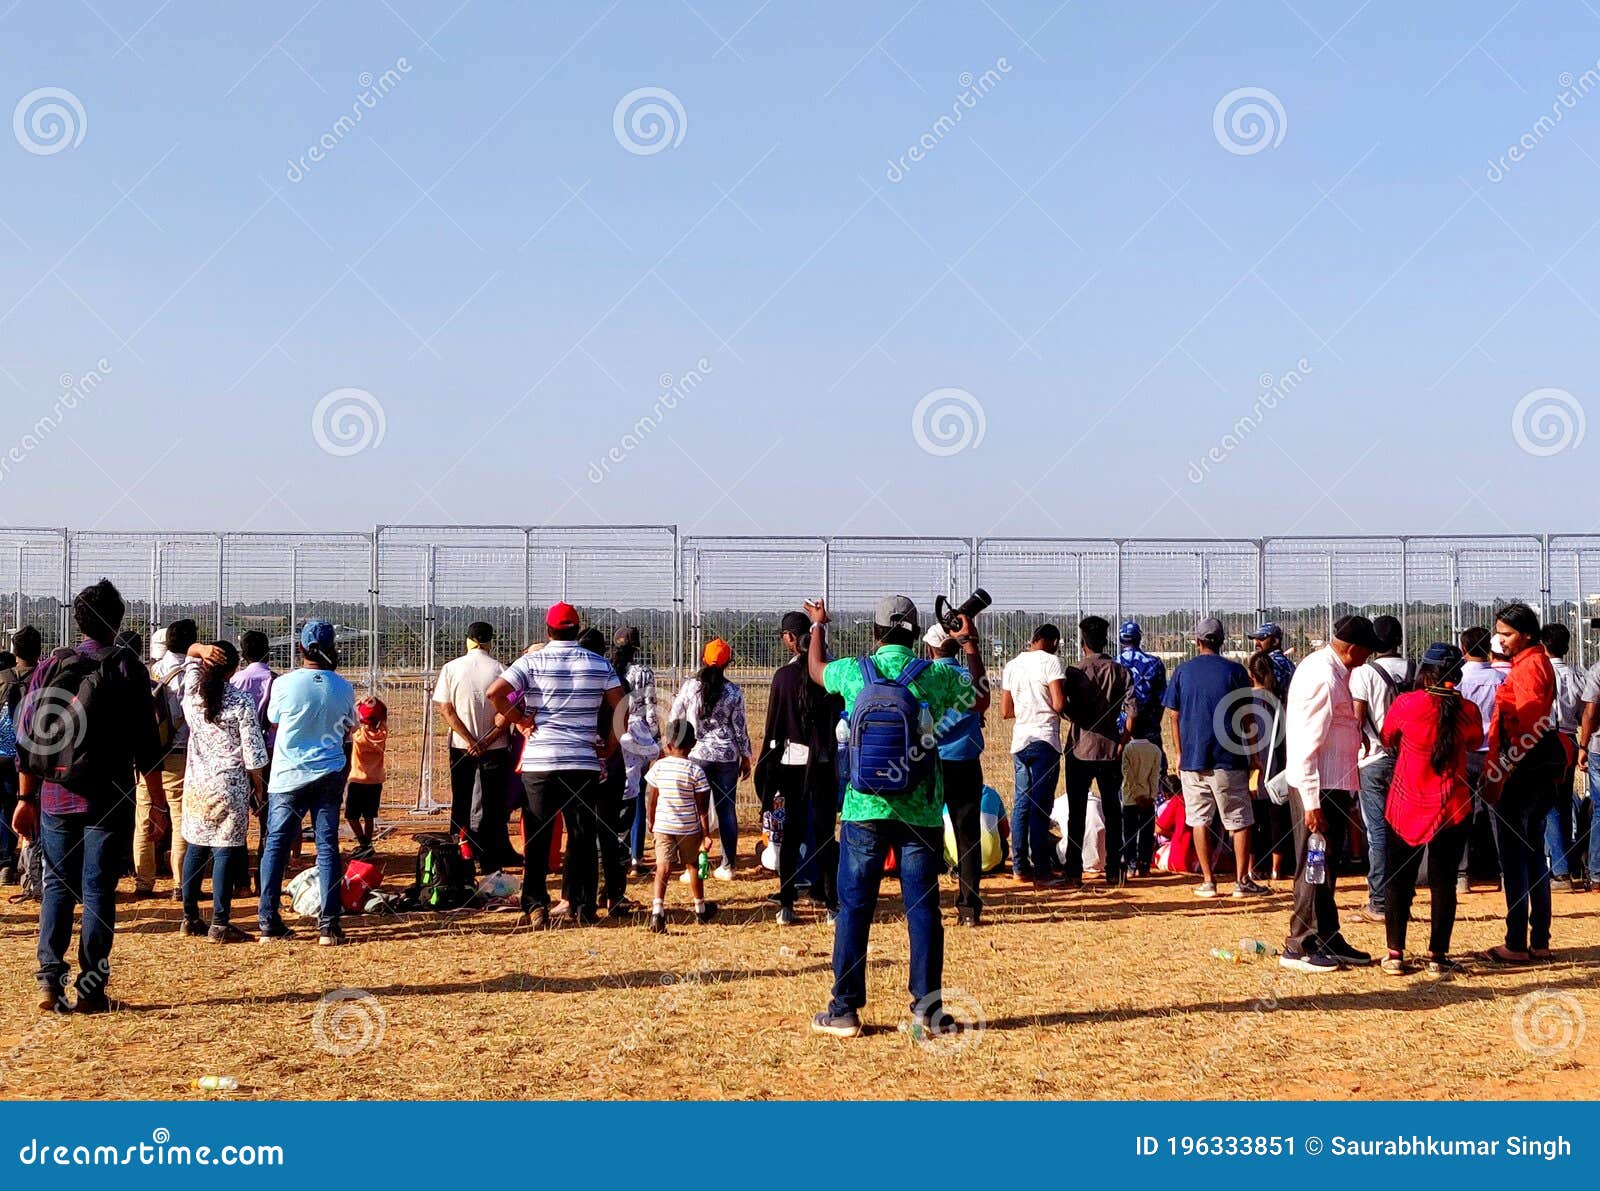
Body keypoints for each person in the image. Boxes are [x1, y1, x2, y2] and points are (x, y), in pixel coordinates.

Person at [806, 595, 988, 1039]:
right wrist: (969, 643)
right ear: (915, 633)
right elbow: (980, 699)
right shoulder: (935, 675)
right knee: (923, 910)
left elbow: (815, 669)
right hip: (920, 812)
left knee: (855, 907)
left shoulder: (854, 671)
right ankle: (928, 1011)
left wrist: (818, 626)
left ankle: (845, 1009)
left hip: (863, 810)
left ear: (874, 633)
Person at [12, 580, 164, 1012]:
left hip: (57, 795)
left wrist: (26, 798)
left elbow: (29, 737)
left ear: (78, 621)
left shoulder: (52, 664)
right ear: (117, 621)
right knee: (98, 891)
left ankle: (48, 981)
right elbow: (146, 743)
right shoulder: (129, 668)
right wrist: (156, 803)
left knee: (58, 886)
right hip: (111, 797)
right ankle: (91, 989)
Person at [487, 602, 624, 929]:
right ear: (577, 629)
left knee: (538, 834)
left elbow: (495, 692)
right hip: (582, 762)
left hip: (541, 760)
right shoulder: (599, 664)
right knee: (582, 834)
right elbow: (622, 706)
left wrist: (520, 719)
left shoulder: (531, 661)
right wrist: (611, 744)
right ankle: (583, 904)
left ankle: (536, 905)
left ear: (548, 631)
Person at [1280, 614, 1383, 973]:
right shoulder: (1323, 677)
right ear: (1352, 648)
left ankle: (1327, 935)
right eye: (1367, 653)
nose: (1368, 659)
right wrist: (1311, 803)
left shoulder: (1336, 671)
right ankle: (1300, 945)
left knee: (1326, 865)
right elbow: (1307, 745)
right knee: (1313, 864)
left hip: (1334, 784)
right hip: (1318, 786)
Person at [1376, 643, 1482, 977]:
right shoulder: (1468, 710)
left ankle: (1395, 954)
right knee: (1444, 883)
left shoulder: (1406, 703)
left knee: (1398, 880)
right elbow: (1475, 741)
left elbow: (1387, 737)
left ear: (1424, 671)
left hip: (1405, 803)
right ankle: (1438, 957)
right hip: (1452, 806)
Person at [257, 619, 357, 946]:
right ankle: (329, 925)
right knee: (327, 848)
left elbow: (272, 720)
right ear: (332, 648)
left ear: (300, 648)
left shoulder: (284, 684)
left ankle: (269, 921)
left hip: (288, 775)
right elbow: (348, 728)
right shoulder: (343, 687)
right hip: (328, 774)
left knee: (277, 845)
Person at [1481, 602, 1562, 965]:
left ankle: (1516, 943)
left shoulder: (1529, 667)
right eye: (1499, 633)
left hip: (1520, 773)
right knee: (1532, 856)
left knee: (1515, 859)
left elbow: (1527, 722)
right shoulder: (1535, 663)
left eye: (1507, 634)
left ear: (1526, 633)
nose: (1500, 641)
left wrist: (1504, 769)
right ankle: (1538, 939)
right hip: (1536, 770)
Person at [1162, 617, 1266, 899]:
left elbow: (1174, 715)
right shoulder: (1234, 671)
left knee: (1199, 820)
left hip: (1193, 760)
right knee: (1240, 820)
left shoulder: (1183, 672)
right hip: (1228, 758)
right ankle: (1242, 881)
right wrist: (1254, 753)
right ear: (1221, 641)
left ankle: (1208, 881)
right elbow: (1246, 718)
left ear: (1197, 641)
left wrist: (1180, 753)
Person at [178, 640, 268, 943]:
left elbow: (189, 656)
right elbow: (253, 754)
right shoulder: (241, 701)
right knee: (226, 849)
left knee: (196, 846)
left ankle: (189, 917)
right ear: (234, 669)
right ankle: (219, 922)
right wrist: (259, 789)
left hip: (197, 784)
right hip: (230, 786)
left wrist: (200, 650)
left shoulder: (192, 694)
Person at [763, 611, 843, 924]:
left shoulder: (783, 677)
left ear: (791, 638)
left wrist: (768, 774)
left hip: (790, 765)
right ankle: (830, 905)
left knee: (791, 834)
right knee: (824, 834)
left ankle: (786, 905)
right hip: (822, 763)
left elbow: (773, 728)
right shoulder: (828, 676)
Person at [1061, 616, 1136, 886]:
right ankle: (1114, 870)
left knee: (1077, 811)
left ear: (1083, 643)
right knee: (1113, 810)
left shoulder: (1074, 672)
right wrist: (1123, 740)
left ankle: (1073, 871)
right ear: (1106, 640)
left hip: (1080, 748)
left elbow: (1062, 706)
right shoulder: (1121, 672)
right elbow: (1132, 713)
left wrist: (1074, 716)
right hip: (1110, 749)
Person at [432, 622, 512, 873]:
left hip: (461, 747)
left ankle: (459, 854)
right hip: (495, 747)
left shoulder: (451, 668)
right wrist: (486, 740)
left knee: (462, 799)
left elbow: (445, 708)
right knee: (491, 802)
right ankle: (490, 858)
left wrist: (469, 740)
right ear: (490, 641)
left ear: (468, 640)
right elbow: (509, 713)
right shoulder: (501, 670)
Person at [669, 639, 752, 880]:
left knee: (695, 811)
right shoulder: (733, 691)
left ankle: (694, 866)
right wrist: (745, 756)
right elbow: (739, 728)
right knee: (727, 811)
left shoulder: (690, 687)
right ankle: (728, 865)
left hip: (696, 756)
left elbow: (675, 716)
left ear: (704, 659)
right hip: (726, 758)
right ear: (728, 662)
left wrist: (674, 747)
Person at [1349, 614, 1409, 924]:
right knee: (1405, 831)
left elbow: (1357, 720)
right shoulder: (1414, 670)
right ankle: (1403, 897)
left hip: (1373, 758)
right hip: (1408, 760)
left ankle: (1380, 902)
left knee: (1378, 833)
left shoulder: (1363, 673)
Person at [926, 623, 986, 923]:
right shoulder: (967, 677)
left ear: (929, 649)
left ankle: (927, 902)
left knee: (925, 831)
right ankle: (968, 907)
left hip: (932, 762)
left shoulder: (927, 677)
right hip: (965, 762)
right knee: (968, 834)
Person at [1000, 624, 1067, 883]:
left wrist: (1027, 708)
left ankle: (1019, 867)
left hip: (1020, 742)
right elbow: (1059, 703)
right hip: (1045, 740)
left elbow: (1006, 710)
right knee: (1041, 805)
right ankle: (1042, 869)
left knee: (1022, 804)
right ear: (1051, 641)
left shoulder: (1012, 665)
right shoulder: (1051, 662)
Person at [137, 617, 198, 898]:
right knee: (180, 816)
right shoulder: (192, 671)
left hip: (148, 753)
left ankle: (144, 881)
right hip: (180, 751)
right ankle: (179, 884)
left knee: (145, 815)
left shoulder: (152, 670)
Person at [580, 627, 638, 915]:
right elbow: (623, 719)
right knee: (610, 832)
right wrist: (610, 748)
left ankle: (585, 896)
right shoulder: (617, 682)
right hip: (612, 765)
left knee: (583, 832)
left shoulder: (577, 679)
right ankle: (613, 895)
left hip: (582, 764)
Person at [644, 719, 716, 932]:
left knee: (662, 868)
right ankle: (700, 909)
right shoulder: (696, 771)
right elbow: (702, 807)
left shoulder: (659, 767)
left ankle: (657, 911)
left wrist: (652, 819)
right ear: (693, 744)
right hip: (688, 828)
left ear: (667, 744)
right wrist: (705, 834)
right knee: (693, 865)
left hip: (663, 826)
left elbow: (652, 798)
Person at [1457, 627, 1506, 893]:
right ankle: (1503, 871)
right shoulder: (1500, 679)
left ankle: (1462, 874)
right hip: (1493, 752)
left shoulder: (1459, 679)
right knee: (1497, 814)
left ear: (1463, 649)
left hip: (1465, 752)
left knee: (1463, 812)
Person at [230, 630, 276, 895]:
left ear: (243, 654)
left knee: (238, 820)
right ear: (268, 651)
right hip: (268, 756)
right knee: (269, 821)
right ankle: (263, 879)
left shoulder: (234, 680)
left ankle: (240, 882)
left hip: (238, 755)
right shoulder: (275, 680)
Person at [1540, 623, 1582, 891]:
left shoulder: (1542, 673)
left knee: (1550, 804)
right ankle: (1568, 862)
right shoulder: (1578, 674)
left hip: (1548, 738)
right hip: (1571, 737)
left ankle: (1560, 869)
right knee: (1565, 802)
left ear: (1543, 646)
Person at [1244, 652, 1293, 881]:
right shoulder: (1280, 703)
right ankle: (1276, 868)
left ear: (1251, 675)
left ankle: (1252, 866)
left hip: (1254, 768)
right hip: (1277, 769)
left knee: (1251, 820)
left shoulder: (1244, 702)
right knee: (1277, 821)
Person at [0, 627, 43, 886]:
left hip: (3, 754)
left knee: (5, 808)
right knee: (32, 807)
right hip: (33, 756)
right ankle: (30, 865)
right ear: (39, 650)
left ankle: (5, 862)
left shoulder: (2, 678)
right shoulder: (44, 677)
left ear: (14, 650)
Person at [1116, 620, 1168, 753]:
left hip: (1121, 726)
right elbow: (1162, 698)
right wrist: (1156, 722)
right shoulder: (1154, 663)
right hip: (1149, 725)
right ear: (1139, 638)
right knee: (1155, 769)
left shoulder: (1114, 663)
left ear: (1121, 639)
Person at [346, 696, 388, 859]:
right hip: (375, 781)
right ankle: (368, 844)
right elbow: (384, 716)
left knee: (352, 815)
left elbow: (352, 720)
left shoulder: (359, 735)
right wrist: (376, 703)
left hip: (358, 780)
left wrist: (358, 704)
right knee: (369, 816)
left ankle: (363, 842)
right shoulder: (382, 734)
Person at [1120, 735, 1162, 877]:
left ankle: (1131, 866)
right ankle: (1144, 867)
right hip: (1148, 798)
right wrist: (1151, 795)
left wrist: (1137, 795)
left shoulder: (1127, 748)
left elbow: (1128, 775)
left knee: (1129, 833)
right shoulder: (1155, 749)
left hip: (1130, 798)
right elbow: (1155, 775)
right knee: (1146, 833)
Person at [1249, 622, 1296, 692]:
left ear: (1275, 641)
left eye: (1261, 639)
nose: (1257, 644)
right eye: (1256, 640)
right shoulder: (1290, 664)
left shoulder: (1266, 664)